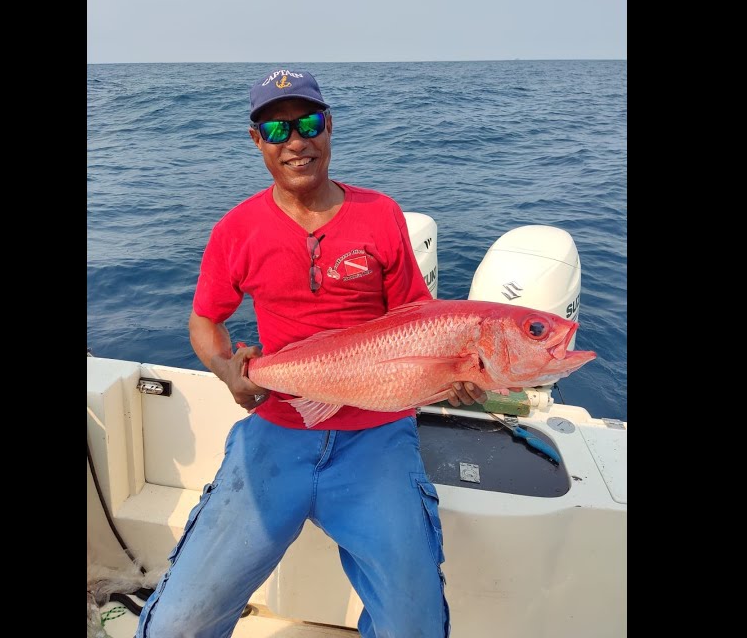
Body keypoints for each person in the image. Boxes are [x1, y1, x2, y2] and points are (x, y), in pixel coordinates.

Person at [135, 68, 487, 638]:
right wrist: (230, 371)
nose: (295, 140)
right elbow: (205, 322)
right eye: (276, 128)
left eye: (309, 123)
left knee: (413, 624)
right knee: (178, 623)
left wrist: (454, 372)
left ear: (329, 127)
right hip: (276, 428)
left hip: (378, 437)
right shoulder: (237, 229)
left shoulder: (381, 215)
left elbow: (418, 322)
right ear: (258, 141)